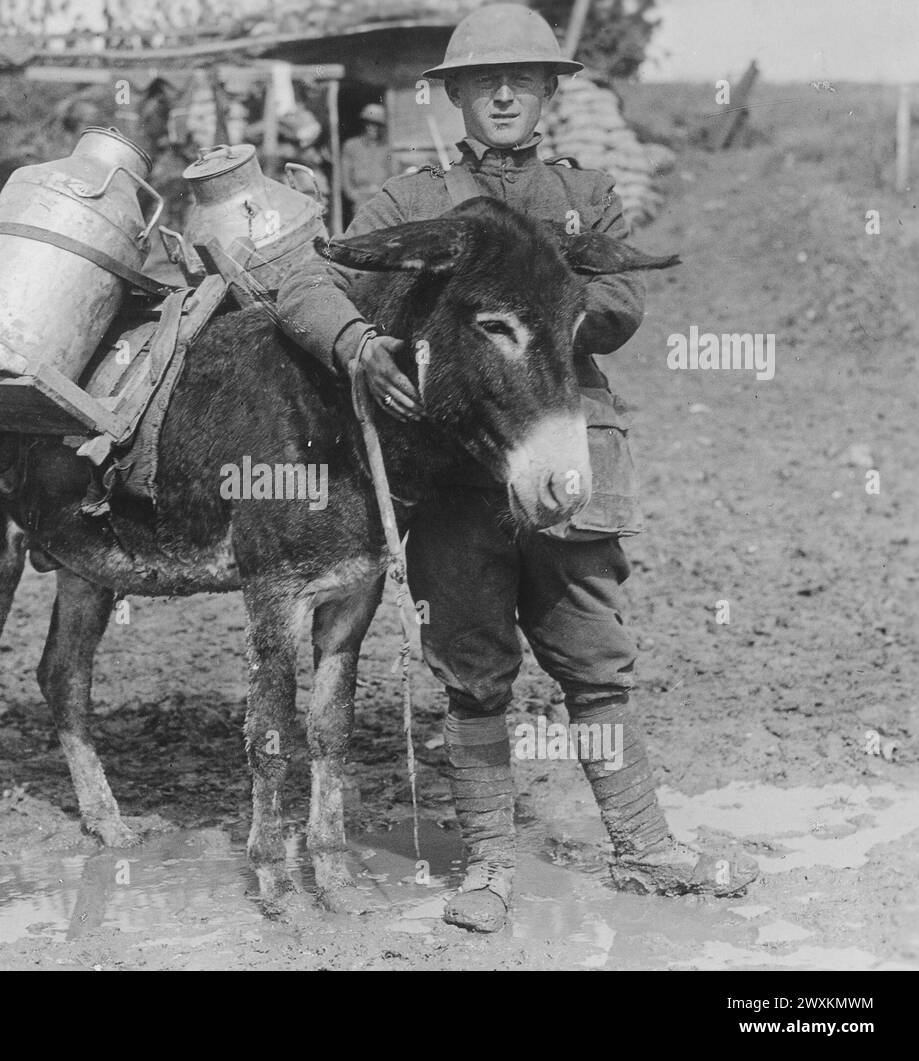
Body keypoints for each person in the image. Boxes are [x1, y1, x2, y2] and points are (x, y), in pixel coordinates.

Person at [276, 3, 759, 933]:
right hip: (458, 482)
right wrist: (361, 344)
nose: (503, 94)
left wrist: (532, 294)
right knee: (471, 668)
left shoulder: (586, 198)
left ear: (547, 94)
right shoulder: (409, 205)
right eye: (483, 82)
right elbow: (312, 276)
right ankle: (491, 863)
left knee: (597, 657)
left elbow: (618, 300)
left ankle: (645, 842)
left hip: (572, 463)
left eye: (522, 81)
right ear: (454, 94)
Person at [340, 104, 393, 224]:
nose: (374, 128)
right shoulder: (351, 146)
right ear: (364, 124)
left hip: (381, 198)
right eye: (370, 123)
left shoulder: (386, 148)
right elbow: (344, 175)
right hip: (361, 197)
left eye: (378, 125)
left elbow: (391, 174)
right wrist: (353, 194)